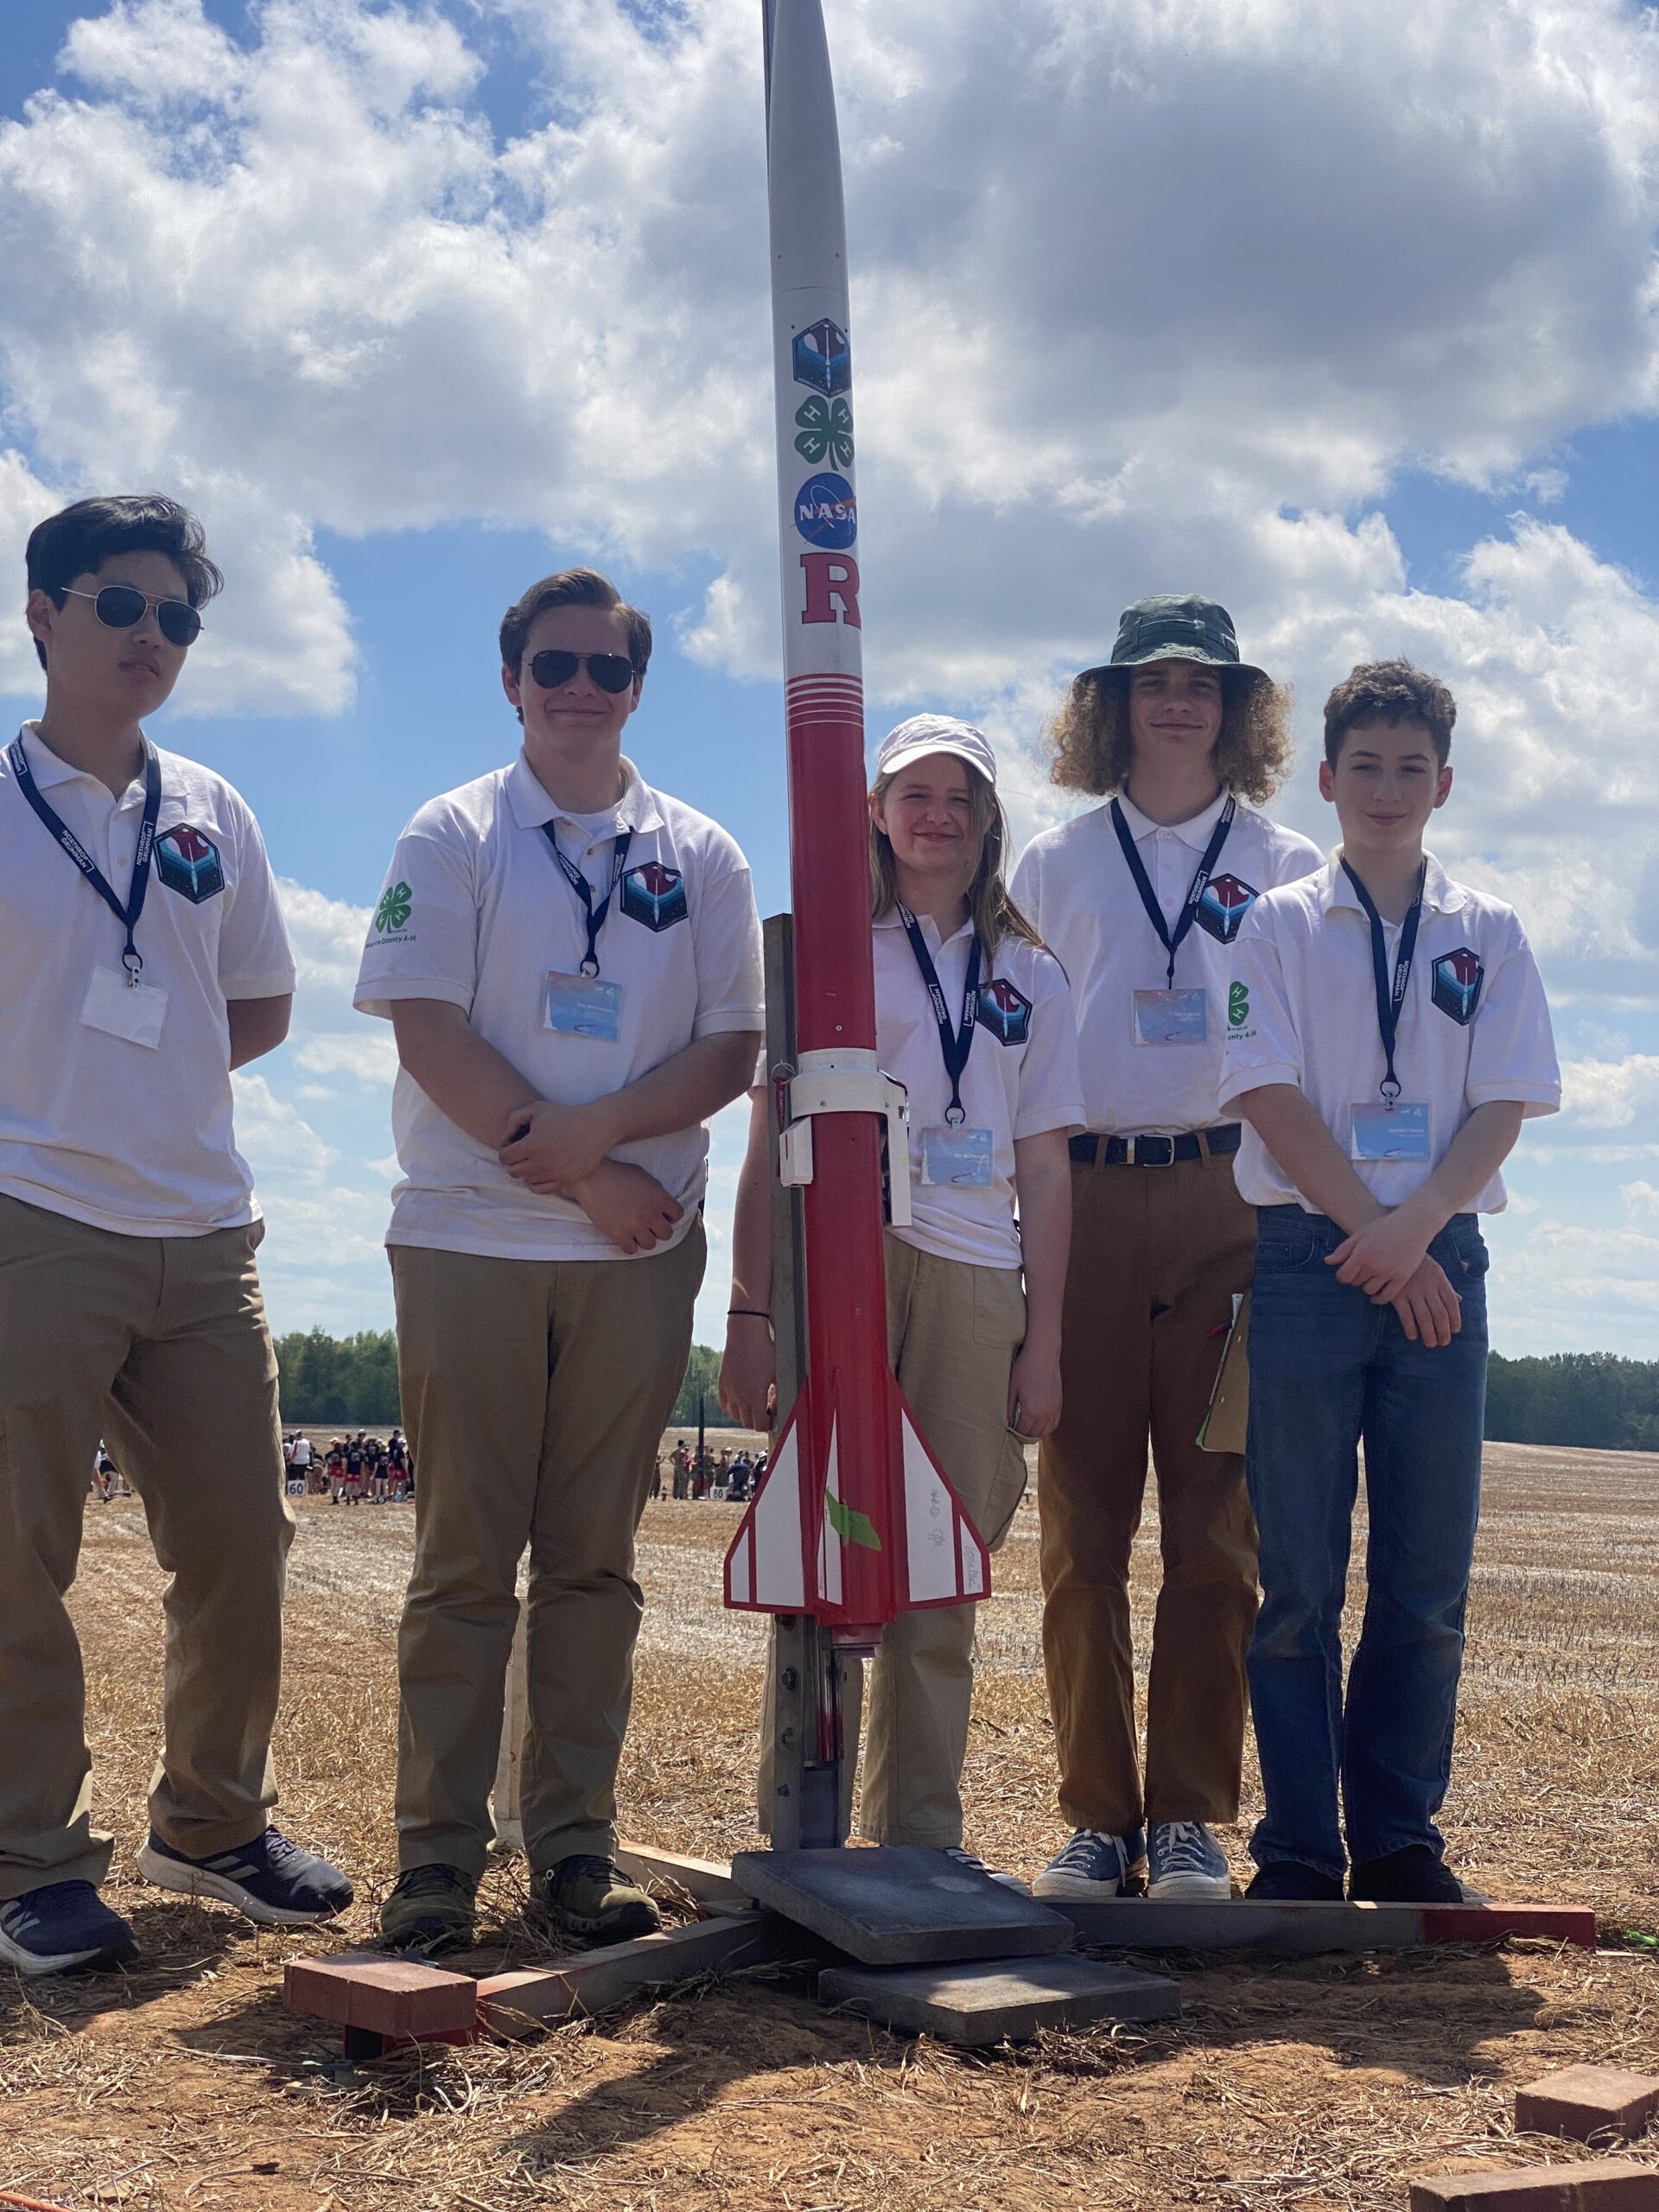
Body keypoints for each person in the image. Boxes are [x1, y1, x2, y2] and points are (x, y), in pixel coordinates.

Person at [355, 565, 762, 1951]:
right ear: (512, 680)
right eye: (554, 664)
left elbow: (731, 1047)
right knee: (464, 1565)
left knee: (592, 1568)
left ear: (638, 687)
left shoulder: (703, 852)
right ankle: (434, 1868)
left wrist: (607, 1157)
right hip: (475, 1233)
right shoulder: (452, 831)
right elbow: (426, 1028)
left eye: (605, 665)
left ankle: (574, 1854)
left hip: (636, 1257)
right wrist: (587, 1170)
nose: (580, 686)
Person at [0, 495, 351, 1979]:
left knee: (243, 1545)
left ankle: (209, 1825)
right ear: (41, 616)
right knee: (18, 1561)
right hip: (30, 1215)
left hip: (207, 1231)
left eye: (179, 620)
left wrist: (146, 1079)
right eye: (120, 605)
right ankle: (30, 1860)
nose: (152, 638)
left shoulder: (212, 808)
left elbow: (255, 1004)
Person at [1221, 660, 1559, 1902]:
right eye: (1364, 764)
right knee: (1298, 1578)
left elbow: (1504, 1102)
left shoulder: (1490, 931)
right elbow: (1263, 1092)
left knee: (1424, 1582)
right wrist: (1374, 1234)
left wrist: (1415, 1232)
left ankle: (1403, 1841)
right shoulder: (1270, 924)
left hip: (1439, 1262)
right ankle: (1302, 1851)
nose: (1387, 787)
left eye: (1411, 767)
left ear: (1445, 784)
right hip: (1312, 1259)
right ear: (1325, 778)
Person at [721, 715, 1083, 1877]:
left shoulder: (1029, 975)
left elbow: (1044, 1165)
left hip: (981, 1279)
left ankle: (921, 1835)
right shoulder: (834, 955)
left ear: (989, 821)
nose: (936, 816)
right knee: (831, 1543)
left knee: (943, 1565)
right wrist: (750, 1310)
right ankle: (807, 1822)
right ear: (874, 811)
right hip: (849, 1263)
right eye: (912, 794)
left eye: (960, 798)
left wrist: (1047, 1345)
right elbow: (768, 1136)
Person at [1012, 595, 1324, 1904]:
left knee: (1217, 1533)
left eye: (1204, 683)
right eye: (1152, 683)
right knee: (1082, 1533)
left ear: (1240, 707)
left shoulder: (1296, 862)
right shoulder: (1050, 863)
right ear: (1113, 704)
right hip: (1079, 1199)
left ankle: (1192, 1815)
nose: (1178, 702)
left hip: (1231, 1208)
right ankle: (1095, 1816)